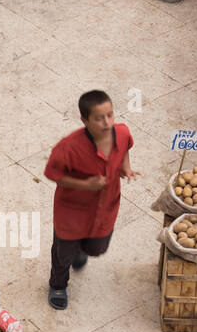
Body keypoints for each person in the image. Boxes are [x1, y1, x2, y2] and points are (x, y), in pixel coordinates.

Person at [43, 90, 139, 310]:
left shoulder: (122, 133)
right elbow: (52, 173)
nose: (107, 122)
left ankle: (81, 251)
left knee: (97, 248)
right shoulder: (68, 147)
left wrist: (126, 167)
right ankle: (57, 285)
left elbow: (125, 148)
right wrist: (85, 185)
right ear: (85, 120)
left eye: (110, 115)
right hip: (72, 212)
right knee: (63, 254)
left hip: (105, 208)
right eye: (99, 118)